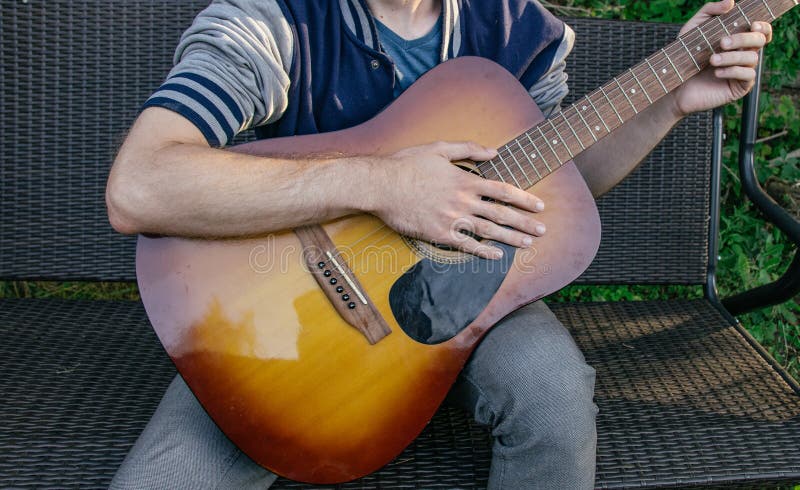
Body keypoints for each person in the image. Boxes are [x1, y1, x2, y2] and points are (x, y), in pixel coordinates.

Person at [105, 0, 772, 488]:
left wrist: (670, 98)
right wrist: (379, 183)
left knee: (552, 393)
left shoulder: (520, 30)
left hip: (469, 293)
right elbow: (140, 186)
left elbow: (556, 179)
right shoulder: (274, 22)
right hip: (286, 325)